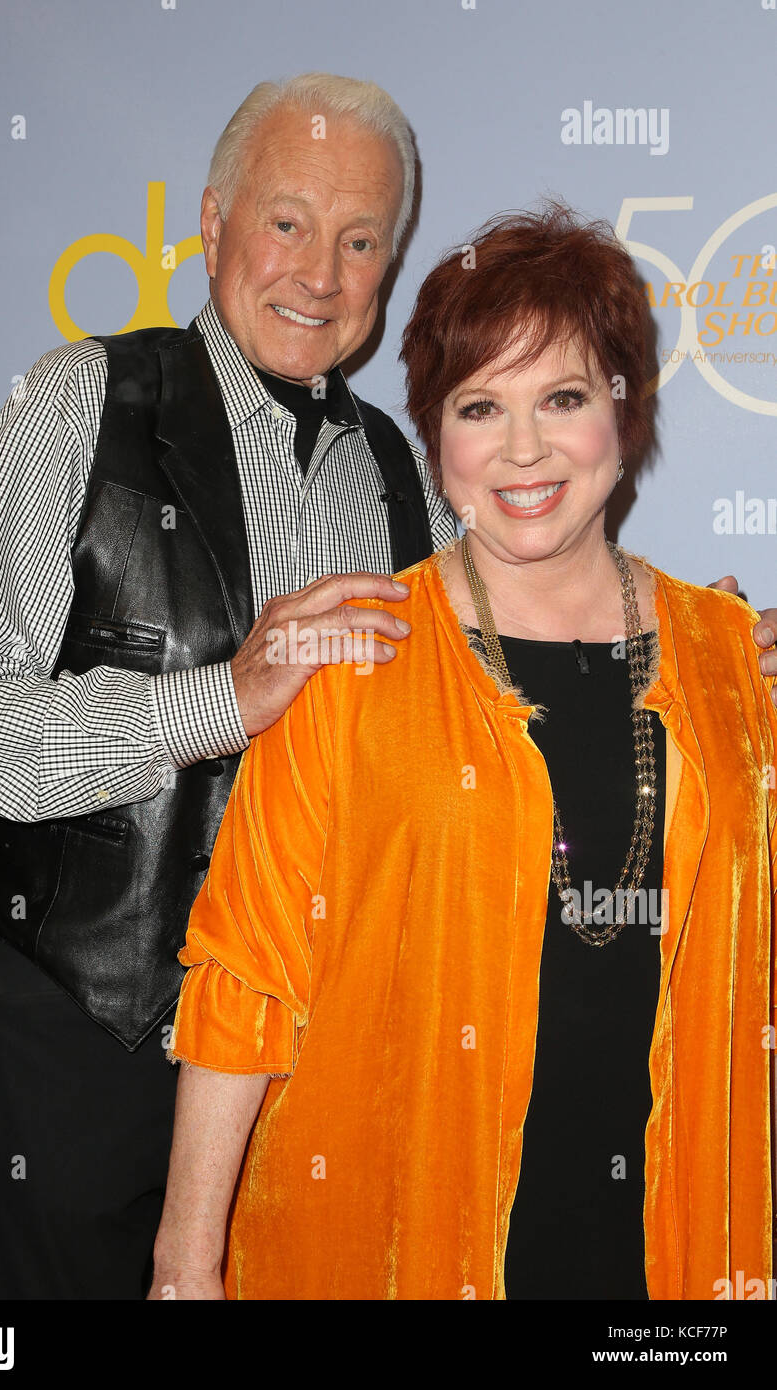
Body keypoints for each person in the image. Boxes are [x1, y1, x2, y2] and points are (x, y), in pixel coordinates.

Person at [0, 74, 456, 1300]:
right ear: (212, 219)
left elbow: (492, 697)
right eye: (287, 222)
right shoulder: (84, 396)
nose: (319, 272)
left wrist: (678, 641)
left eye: (359, 240)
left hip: (300, 1070)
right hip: (73, 1049)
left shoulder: (400, 472)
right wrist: (210, 703)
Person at [152, 203, 777, 1301]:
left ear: (622, 417)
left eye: (564, 398)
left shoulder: (727, 657)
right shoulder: (350, 648)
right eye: (480, 406)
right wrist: (183, 1263)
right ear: (435, 437)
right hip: (392, 1228)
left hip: (660, 1246)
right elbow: (245, 972)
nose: (523, 448)